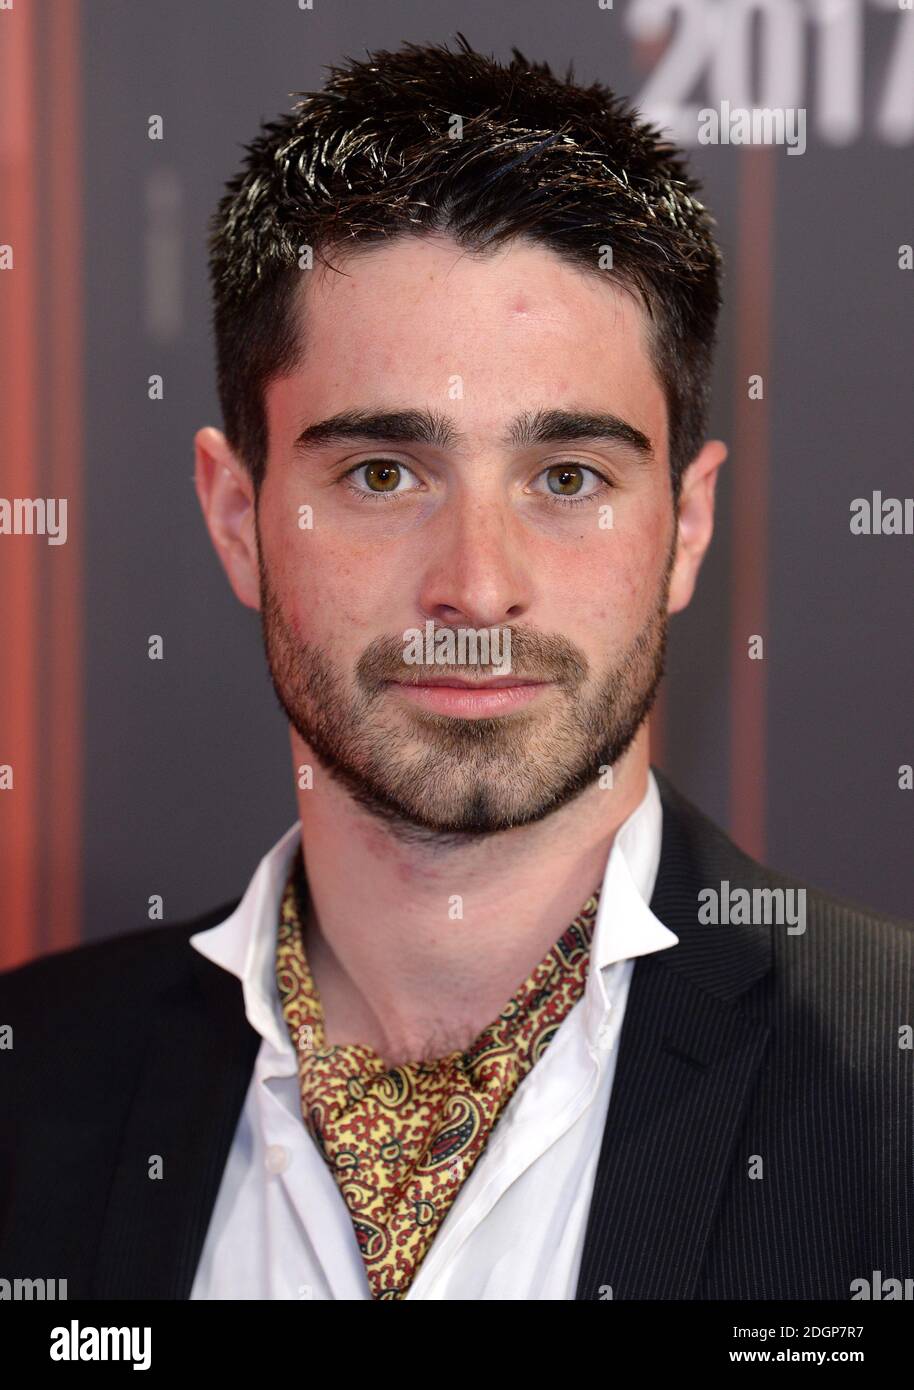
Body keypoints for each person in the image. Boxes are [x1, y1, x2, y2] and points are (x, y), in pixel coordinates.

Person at [1, 35, 910, 1302]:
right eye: (381, 475)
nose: (477, 586)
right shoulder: (30, 1091)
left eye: (566, 477)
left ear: (685, 528)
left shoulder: (893, 1094)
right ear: (235, 514)